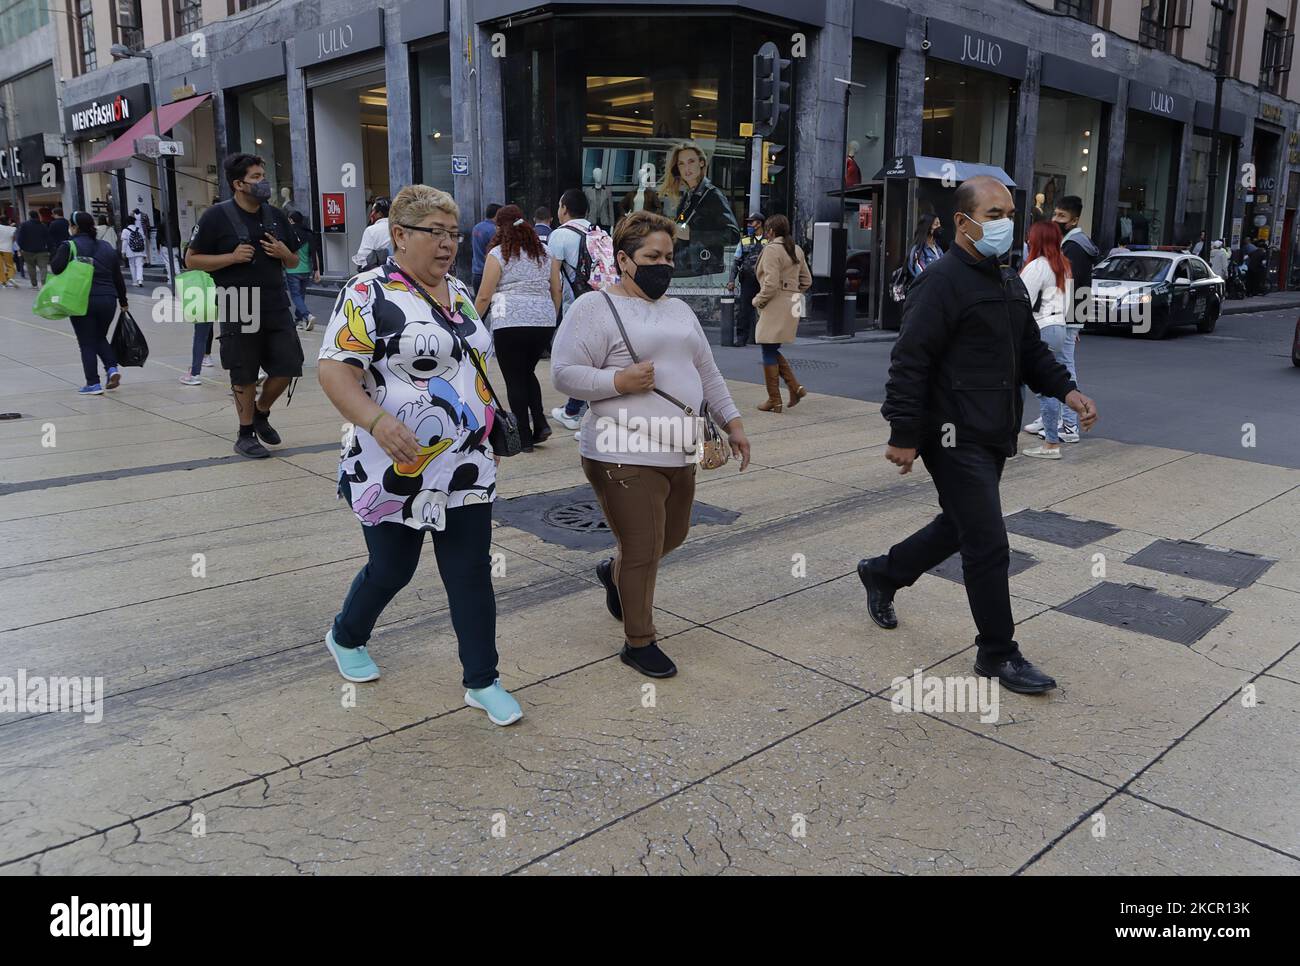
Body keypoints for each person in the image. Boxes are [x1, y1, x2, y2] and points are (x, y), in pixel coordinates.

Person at [857, 175, 1098, 695]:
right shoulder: (941, 281)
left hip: (994, 431)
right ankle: (997, 653)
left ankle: (883, 572)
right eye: (993, 214)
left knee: (960, 525)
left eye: (1008, 212)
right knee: (987, 543)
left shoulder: (1006, 279)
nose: (1004, 223)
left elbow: (1030, 350)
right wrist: (903, 433)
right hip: (951, 434)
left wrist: (1068, 391)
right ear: (963, 222)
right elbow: (909, 361)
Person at [316, 183, 522, 727]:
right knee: (393, 569)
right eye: (435, 233)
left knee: (470, 572)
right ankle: (346, 634)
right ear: (400, 235)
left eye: (453, 233)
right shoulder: (368, 293)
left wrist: (483, 436)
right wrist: (377, 420)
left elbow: (470, 369)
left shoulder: (456, 293)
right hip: (392, 468)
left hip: (464, 466)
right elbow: (336, 370)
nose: (448, 244)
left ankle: (483, 680)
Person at [551, 210, 750, 678]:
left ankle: (614, 573)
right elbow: (563, 373)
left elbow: (707, 372)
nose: (664, 264)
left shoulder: (678, 310)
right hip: (620, 451)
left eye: (669, 255)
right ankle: (639, 641)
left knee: (672, 536)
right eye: (652, 256)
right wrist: (618, 379)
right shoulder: (594, 308)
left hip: (679, 446)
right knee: (643, 548)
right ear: (623, 259)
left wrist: (734, 422)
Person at [185, 153, 304, 458]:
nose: (262, 182)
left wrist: (282, 252)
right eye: (255, 177)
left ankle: (261, 410)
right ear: (238, 184)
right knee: (244, 370)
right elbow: (191, 259)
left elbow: (293, 259)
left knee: (289, 365)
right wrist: (231, 258)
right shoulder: (216, 216)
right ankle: (245, 433)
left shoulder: (276, 216)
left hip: (276, 301)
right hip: (238, 302)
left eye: (263, 175)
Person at [473, 204, 562, 451]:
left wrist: (470, 323)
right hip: (542, 323)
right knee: (526, 373)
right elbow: (557, 289)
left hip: (509, 323)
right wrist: (550, 318)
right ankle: (541, 423)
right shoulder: (545, 253)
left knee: (514, 379)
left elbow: (483, 296)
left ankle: (524, 437)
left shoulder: (498, 255)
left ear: (499, 228)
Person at [50, 211, 128, 396]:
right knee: (99, 336)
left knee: (86, 342)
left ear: (75, 227)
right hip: (108, 300)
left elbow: (56, 268)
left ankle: (93, 383)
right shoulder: (107, 247)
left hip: (82, 299)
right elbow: (118, 277)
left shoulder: (69, 246)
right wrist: (123, 301)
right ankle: (112, 368)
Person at [1019, 220, 1074, 460]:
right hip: (1059, 326)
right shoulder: (1064, 265)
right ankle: (1051, 440)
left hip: (1040, 327)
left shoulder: (1037, 266)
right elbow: (1069, 302)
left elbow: (1021, 302)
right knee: (1049, 385)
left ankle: (1050, 443)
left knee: (1029, 385)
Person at [1047, 195, 1097, 441]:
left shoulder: (1074, 246)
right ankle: (1052, 417)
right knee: (1058, 365)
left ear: (1074, 219)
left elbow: (1069, 283)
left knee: (1064, 367)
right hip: (1072, 314)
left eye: (1061, 217)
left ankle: (1068, 425)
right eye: (1055, 214)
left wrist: (1068, 321)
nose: (1056, 220)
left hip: (1067, 314)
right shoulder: (1074, 242)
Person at [751, 214, 812, 413]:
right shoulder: (796, 249)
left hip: (775, 302)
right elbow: (807, 281)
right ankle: (793, 389)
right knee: (771, 348)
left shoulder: (771, 250)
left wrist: (757, 300)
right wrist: (792, 292)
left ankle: (776, 398)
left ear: (771, 231)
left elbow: (770, 283)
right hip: (792, 302)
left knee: (768, 348)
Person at [548, 188, 595, 434]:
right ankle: (575, 409)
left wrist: (554, 313)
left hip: (575, 305)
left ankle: (577, 414)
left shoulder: (560, 235)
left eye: (559, 206)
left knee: (578, 361)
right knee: (593, 359)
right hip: (600, 302)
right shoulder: (597, 231)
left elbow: (554, 279)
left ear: (564, 208)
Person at [659, 142, 739, 278]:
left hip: (703, 273)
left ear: (701, 163)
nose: (686, 168)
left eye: (691, 161)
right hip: (686, 269)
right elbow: (683, 225)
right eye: (681, 164)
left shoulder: (712, 195)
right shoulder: (687, 196)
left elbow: (732, 235)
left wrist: (693, 235)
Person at [726, 212, 767, 346]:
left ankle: (764, 337)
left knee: (765, 308)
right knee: (745, 309)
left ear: (759, 223)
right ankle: (742, 338)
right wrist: (731, 280)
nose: (749, 225)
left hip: (765, 279)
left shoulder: (769, 241)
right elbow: (736, 262)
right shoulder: (744, 241)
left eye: (752, 222)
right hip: (748, 278)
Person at [285, 209, 323, 331]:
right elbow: (313, 253)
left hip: (292, 270)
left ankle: (307, 315)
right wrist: (317, 270)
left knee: (296, 295)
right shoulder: (308, 233)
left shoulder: (290, 233)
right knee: (301, 295)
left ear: (291, 220)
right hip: (306, 270)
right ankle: (299, 320)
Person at [352, 197, 391, 272]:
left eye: (373, 211)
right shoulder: (398, 228)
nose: (371, 214)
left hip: (378, 273)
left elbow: (363, 257)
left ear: (379, 213)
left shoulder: (371, 230)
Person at [470, 202, 501, 293]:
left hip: (476, 272)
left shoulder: (476, 227)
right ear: (497, 213)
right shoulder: (494, 230)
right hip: (489, 274)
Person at [16, 210, 50, 288]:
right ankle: (44, 283)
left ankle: (34, 284)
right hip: (42, 250)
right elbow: (48, 238)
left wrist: (21, 247)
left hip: (28, 250)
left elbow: (20, 238)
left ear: (30, 216)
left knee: (30, 267)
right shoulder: (43, 225)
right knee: (43, 267)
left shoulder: (24, 225)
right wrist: (50, 248)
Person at [908, 214, 944, 280]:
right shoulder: (918, 251)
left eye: (939, 224)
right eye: (936, 224)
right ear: (928, 227)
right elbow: (921, 275)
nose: (939, 227)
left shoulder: (938, 249)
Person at [122, 215, 148, 286]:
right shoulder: (139, 229)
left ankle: (134, 281)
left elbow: (124, 242)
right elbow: (143, 241)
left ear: (127, 223)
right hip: (140, 251)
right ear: (134, 222)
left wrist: (123, 252)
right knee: (139, 265)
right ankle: (140, 280)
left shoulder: (125, 230)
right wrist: (145, 253)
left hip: (130, 251)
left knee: (132, 266)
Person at [0, 216, 16, 287]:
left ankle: (3, 281)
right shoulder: (13, 229)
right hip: (7, 249)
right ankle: (10, 277)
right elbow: (14, 239)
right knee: (10, 265)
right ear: (9, 221)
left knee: (0, 266)